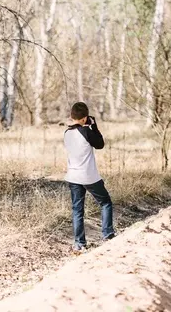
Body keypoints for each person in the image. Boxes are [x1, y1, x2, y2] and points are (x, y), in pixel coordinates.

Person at [64, 102, 115, 252]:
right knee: (105, 202)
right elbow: (100, 144)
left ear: (72, 116)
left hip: (72, 176)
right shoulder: (86, 132)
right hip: (88, 176)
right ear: (85, 118)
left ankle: (79, 244)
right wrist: (94, 126)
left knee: (77, 210)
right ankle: (108, 234)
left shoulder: (66, 133)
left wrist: (87, 126)